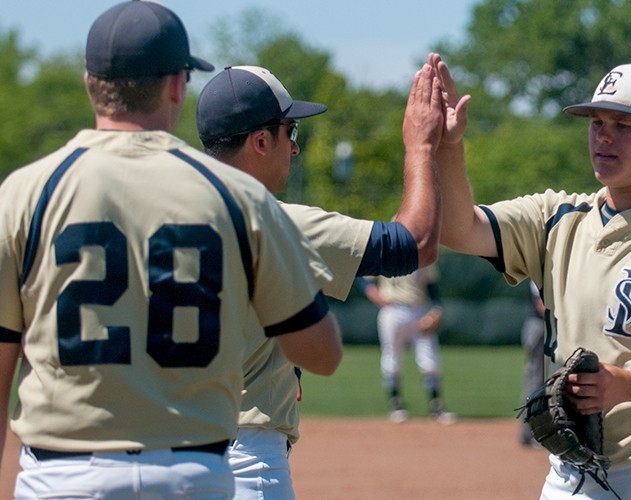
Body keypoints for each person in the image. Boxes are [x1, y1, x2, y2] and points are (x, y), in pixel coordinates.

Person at [0, 1, 343, 498]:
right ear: (178, 85)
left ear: (89, 82)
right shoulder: (237, 196)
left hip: (62, 476)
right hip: (189, 474)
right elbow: (323, 355)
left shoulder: (23, 194)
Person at [432, 52, 631, 498]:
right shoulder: (558, 218)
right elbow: (460, 230)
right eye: (596, 123)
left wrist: (627, 386)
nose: (604, 137)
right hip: (569, 471)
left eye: (623, 126)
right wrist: (448, 148)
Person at [195, 63, 444, 498]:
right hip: (244, 460)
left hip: (164, 452)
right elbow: (415, 243)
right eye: (289, 131)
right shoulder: (275, 221)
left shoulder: (154, 218)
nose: (293, 148)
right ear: (259, 141)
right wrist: (421, 146)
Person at [358, 262, 456, 424]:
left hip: (420, 310)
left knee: (430, 360)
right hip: (392, 310)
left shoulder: (424, 251)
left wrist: (436, 309)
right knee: (392, 357)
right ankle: (396, 405)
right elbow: (361, 277)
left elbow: (432, 287)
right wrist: (372, 292)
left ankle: (436, 407)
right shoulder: (385, 250)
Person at [519, 280, 546, 446]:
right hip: (539, 327)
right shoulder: (542, 268)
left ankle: (533, 433)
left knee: (541, 380)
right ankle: (531, 433)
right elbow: (541, 305)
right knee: (536, 381)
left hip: (541, 326)